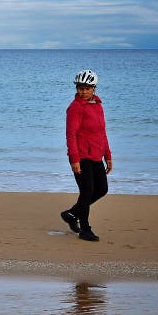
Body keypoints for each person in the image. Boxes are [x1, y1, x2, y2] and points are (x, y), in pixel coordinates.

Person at [61, 70, 113, 242]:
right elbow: (71, 134)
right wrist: (74, 159)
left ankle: (72, 214)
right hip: (81, 156)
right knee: (87, 192)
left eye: (87, 88)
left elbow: (102, 133)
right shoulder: (75, 108)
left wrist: (108, 155)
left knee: (102, 189)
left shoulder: (98, 105)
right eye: (80, 88)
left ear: (94, 88)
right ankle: (85, 229)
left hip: (96, 155)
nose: (83, 92)